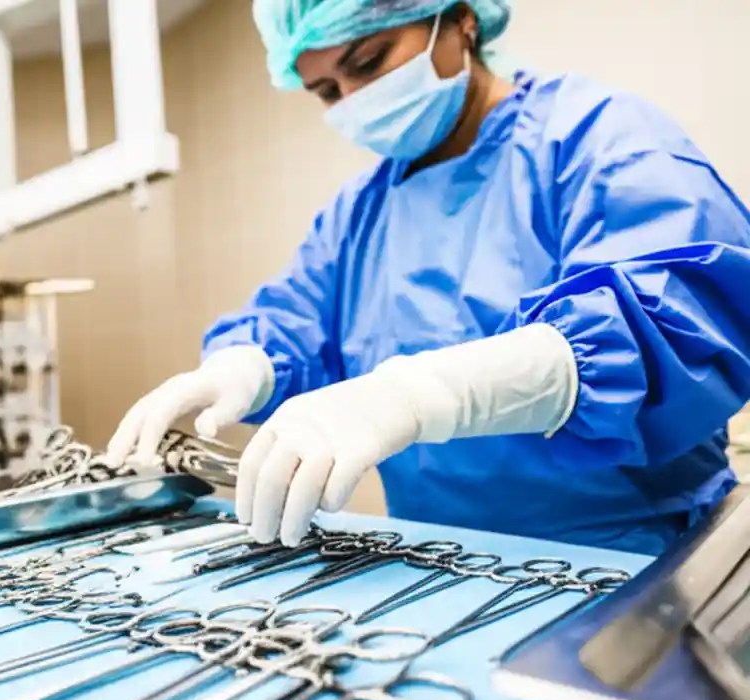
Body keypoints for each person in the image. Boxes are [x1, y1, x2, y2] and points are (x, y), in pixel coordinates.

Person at [105, 0, 750, 555]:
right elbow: (296, 323)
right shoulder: (364, 210)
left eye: (368, 61)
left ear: (459, 20)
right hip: (447, 563)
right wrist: (240, 369)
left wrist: (417, 396)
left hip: (637, 559)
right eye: (328, 91)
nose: (354, 101)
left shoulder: (597, 138)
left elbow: (676, 326)